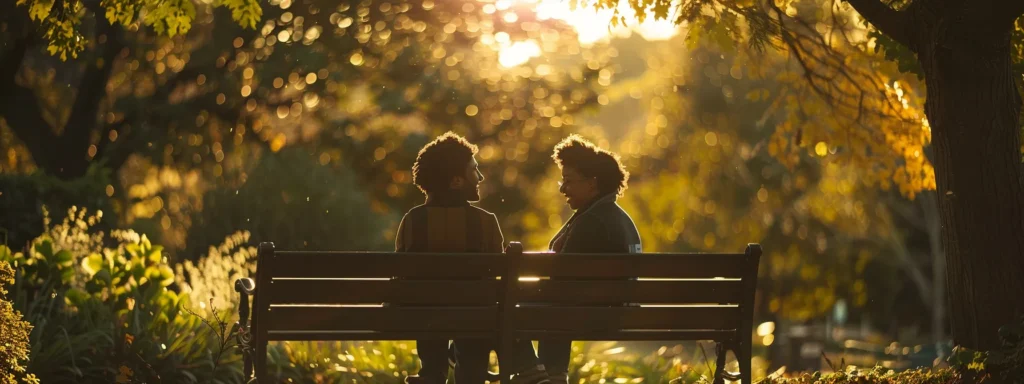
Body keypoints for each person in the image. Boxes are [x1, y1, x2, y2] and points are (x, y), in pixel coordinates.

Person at [398, 132, 549, 384]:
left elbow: (404, 276)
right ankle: (480, 374)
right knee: (477, 314)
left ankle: (432, 372)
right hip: (477, 320)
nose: (480, 177)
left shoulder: (413, 220)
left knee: (437, 307)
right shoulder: (485, 221)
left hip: (427, 320)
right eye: (474, 171)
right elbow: (496, 279)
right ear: (457, 181)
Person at [538, 135, 642, 384]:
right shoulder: (618, 217)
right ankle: (543, 373)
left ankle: (544, 374)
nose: (562, 188)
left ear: (592, 184)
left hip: (594, 315)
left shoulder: (592, 222)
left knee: (517, 310)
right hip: (615, 312)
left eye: (568, 181)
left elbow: (561, 282)